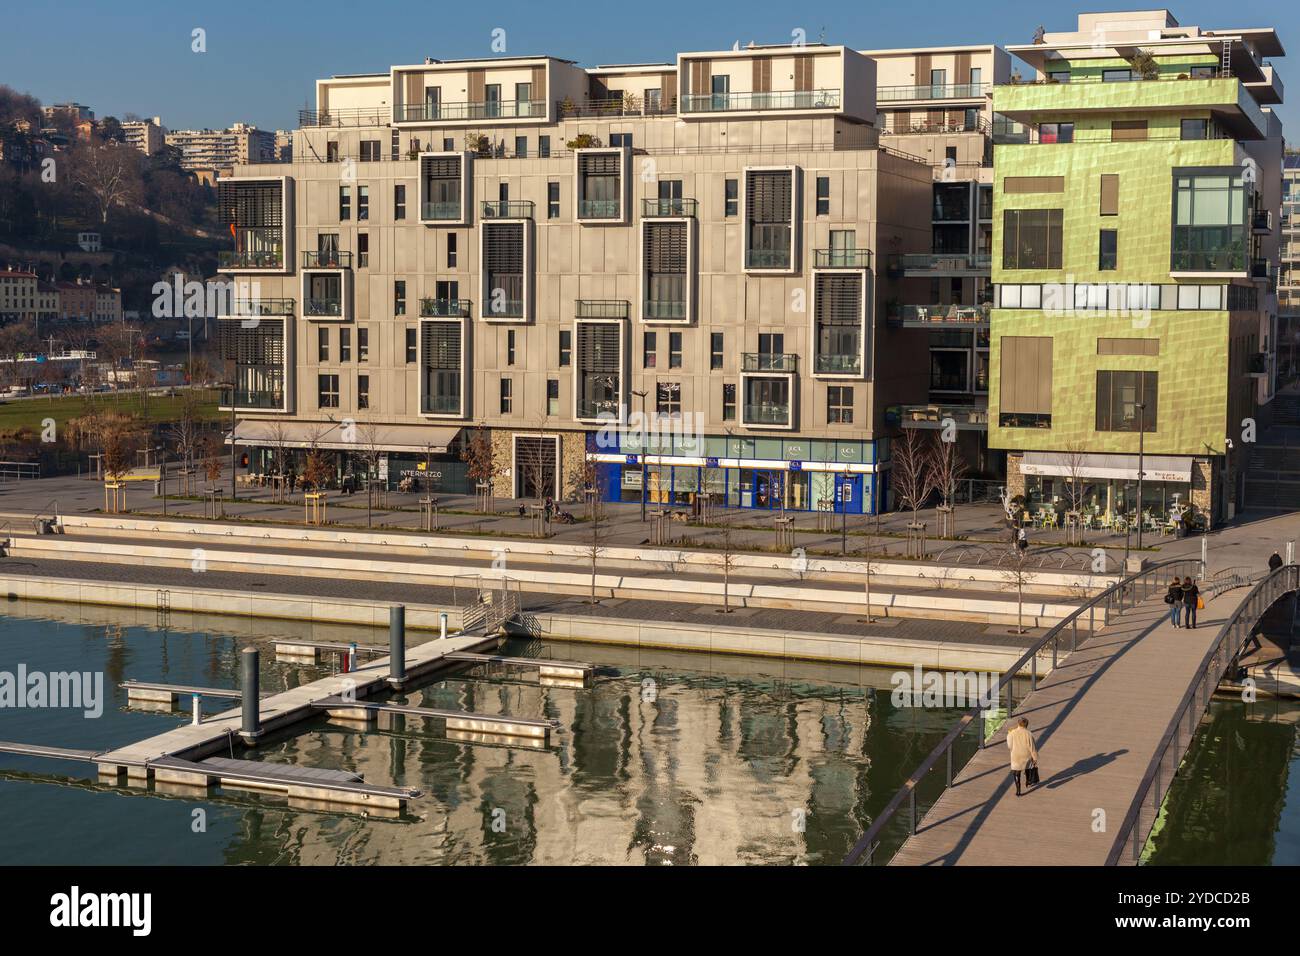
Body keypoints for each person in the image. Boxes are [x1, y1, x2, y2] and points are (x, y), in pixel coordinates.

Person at [1006, 717, 1039, 796]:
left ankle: (1018, 791)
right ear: (1026, 725)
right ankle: (1028, 781)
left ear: (1018, 723)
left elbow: (1009, 746)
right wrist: (1035, 758)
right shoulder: (1029, 734)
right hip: (1026, 755)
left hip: (1016, 755)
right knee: (1028, 768)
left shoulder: (1012, 733)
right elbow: (1032, 747)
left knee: (1016, 773)